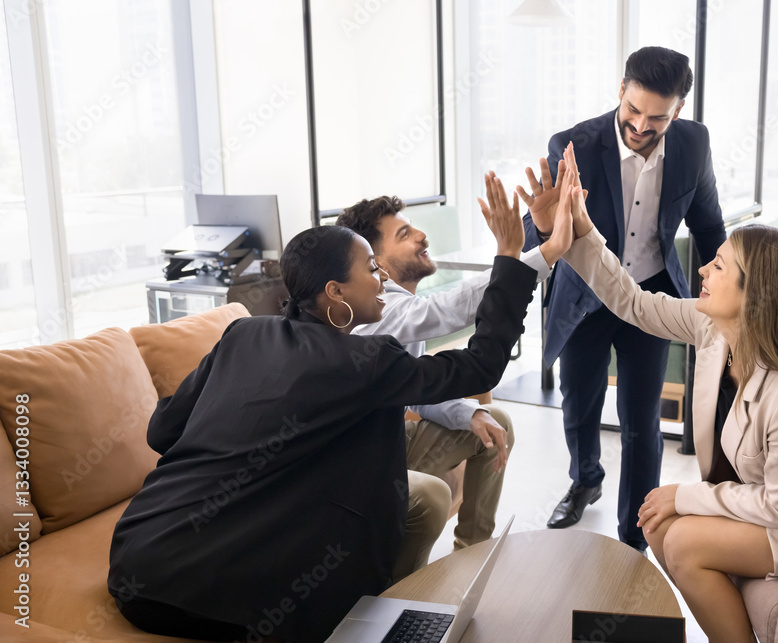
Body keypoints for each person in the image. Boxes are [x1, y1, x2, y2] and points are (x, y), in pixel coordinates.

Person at [106, 179, 574, 642]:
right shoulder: (363, 362)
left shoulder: (243, 334)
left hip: (136, 557)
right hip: (206, 594)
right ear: (335, 292)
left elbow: (163, 430)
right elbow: (481, 366)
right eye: (372, 269)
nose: (383, 278)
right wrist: (509, 256)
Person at [554, 143, 778, 641]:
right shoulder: (714, 330)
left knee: (680, 541)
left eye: (718, 267)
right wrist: (578, 229)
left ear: (756, 294)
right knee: (657, 528)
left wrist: (686, 495)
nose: (701, 270)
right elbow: (633, 303)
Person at [519, 46, 727, 549]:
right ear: (621, 90)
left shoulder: (693, 144)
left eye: (657, 116)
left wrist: (733, 294)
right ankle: (585, 478)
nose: (640, 124)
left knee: (641, 418)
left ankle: (634, 535)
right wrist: (543, 224)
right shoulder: (574, 145)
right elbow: (539, 233)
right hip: (586, 294)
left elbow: (708, 226)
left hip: (651, 293)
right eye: (633, 110)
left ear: (677, 110)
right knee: (579, 401)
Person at [336, 191, 560, 551]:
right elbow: (452, 308)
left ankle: (470, 556)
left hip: (386, 439)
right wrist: (546, 248)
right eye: (404, 234)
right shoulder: (377, 313)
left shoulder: (400, 307)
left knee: (494, 419)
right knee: (434, 491)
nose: (421, 236)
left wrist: (470, 413)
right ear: (374, 261)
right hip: (359, 460)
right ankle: (402, 594)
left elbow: (412, 391)